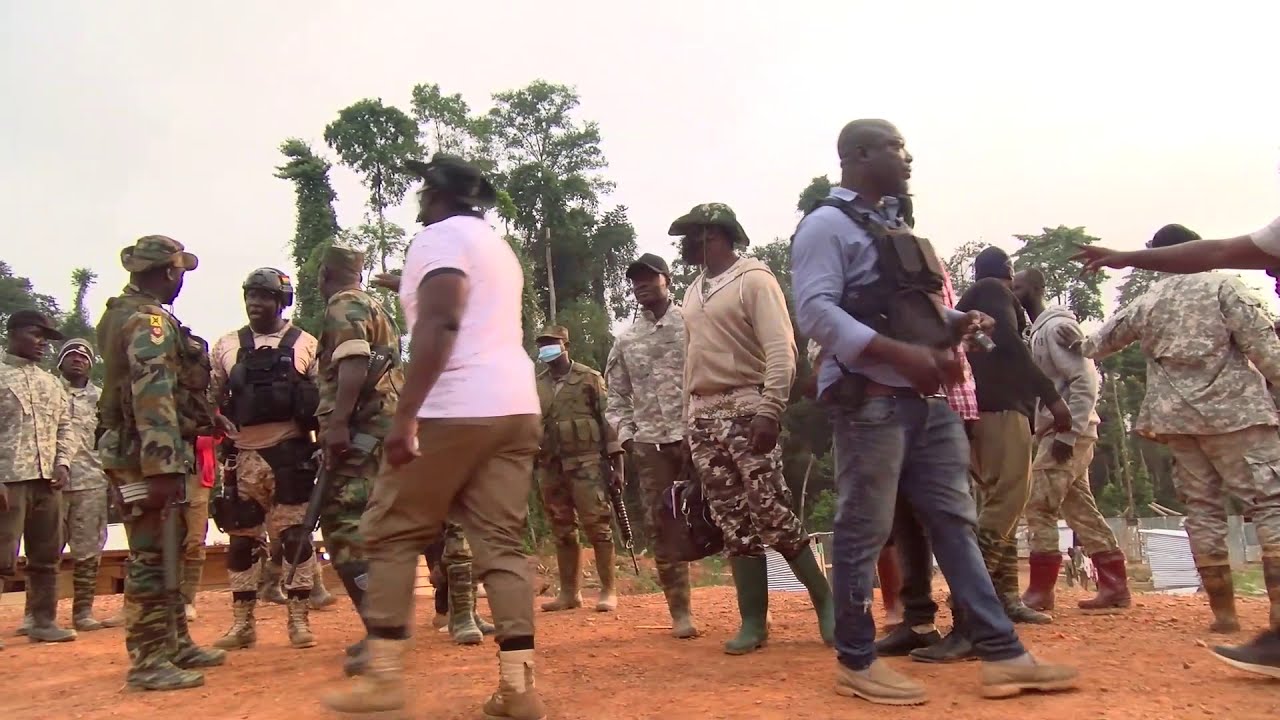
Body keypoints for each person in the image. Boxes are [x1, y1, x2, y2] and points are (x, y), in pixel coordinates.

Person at [791, 118, 1076, 705]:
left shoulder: (892, 225)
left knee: (955, 522)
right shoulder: (824, 226)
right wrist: (900, 355)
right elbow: (815, 311)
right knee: (862, 530)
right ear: (859, 155)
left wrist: (957, 324)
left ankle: (1002, 654)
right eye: (895, 147)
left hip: (928, 402)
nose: (907, 157)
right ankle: (857, 660)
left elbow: (910, 308)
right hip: (872, 402)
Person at [322, 154, 545, 719]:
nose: (419, 198)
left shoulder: (436, 239)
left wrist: (407, 416)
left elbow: (444, 320)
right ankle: (518, 689)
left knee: (390, 531)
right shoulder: (497, 247)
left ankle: (385, 680)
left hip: (456, 406)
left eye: (423, 189)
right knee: (500, 544)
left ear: (437, 195)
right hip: (516, 405)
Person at [1078, 225, 1280, 678]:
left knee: (1203, 510)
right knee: (1270, 505)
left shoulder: (1148, 301)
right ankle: (1277, 618)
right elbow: (1263, 347)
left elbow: (1097, 343)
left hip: (1175, 421)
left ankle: (1224, 615)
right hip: (1238, 416)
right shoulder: (1225, 286)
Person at [672, 201, 835, 656]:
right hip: (703, 415)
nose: (688, 244)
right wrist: (689, 425)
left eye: (696, 235)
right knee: (732, 522)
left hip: (747, 406)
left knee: (772, 511)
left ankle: (827, 604)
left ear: (719, 236)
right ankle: (753, 621)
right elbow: (689, 359)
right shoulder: (692, 291)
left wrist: (771, 409)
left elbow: (782, 349)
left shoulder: (755, 280)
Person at [96, 235, 225, 690]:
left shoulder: (125, 312)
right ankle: (149, 659)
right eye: (180, 272)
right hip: (141, 456)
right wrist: (163, 465)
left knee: (168, 545)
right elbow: (151, 393)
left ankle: (175, 643)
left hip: (144, 451)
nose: (181, 281)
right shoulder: (147, 320)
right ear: (169, 272)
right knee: (151, 554)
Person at [956, 247, 1072, 625]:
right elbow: (1008, 341)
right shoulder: (994, 291)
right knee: (1007, 501)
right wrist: (1052, 397)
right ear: (1008, 270)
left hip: (981, 411)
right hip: (1002, 408)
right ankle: (972, 597)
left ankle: (1004, 597)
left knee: (997, 501)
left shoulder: (972, 298)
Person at [209, 267, 322, 651]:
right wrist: (214, 420)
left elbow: (323, 402)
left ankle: (298, 619)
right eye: (250, 296)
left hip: (290, 453)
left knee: (295, 538)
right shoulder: (226, 345)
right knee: (241, 540)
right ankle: (243, 624)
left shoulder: (306, 343)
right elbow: (210, 396)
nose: (256, 304)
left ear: (281, 301)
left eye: (264, 297)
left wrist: (323, 444)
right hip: (241, 457)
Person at [1012, 268, 1130, 613]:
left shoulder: (1056, 328)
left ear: (1036, 288)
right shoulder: (1038, 331)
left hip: (1067, 433)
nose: (1015, 294)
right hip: (1061, 431)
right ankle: (1114, 585)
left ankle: (1040, 591)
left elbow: (1085, 379)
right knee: (1078, 507)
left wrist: (1069, 432)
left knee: (1039, 505)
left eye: (1019, 287)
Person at [605, 252, 698, 638]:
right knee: (663, 526)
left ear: (667, 280)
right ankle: (681, 613)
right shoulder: (627, 339)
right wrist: (627, 436)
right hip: (651, 445)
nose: (641, 284)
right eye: (635, 280)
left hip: (699, 436)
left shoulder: (693, 323)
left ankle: (753, 612)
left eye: (649, 277)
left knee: (728, 515)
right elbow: (616, 396)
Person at [534, 325, 625, 614]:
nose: (546, 348)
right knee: (562, 530)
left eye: (551, 343)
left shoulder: (589, 378)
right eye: (542, 344)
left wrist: (618, 465)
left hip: (587, 465)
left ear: (565, 344)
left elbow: (609, 421)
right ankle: (570, 593)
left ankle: (609, 590)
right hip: (551, 467)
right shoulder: (538, 384)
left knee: (598, 527)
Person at [0, 310, 76, 646]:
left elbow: (66, 427)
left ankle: (42, 621)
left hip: (48, 481)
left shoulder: (50, 383)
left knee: (46, 556)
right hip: (9, 479)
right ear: (13, 333)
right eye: (36, 334)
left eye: (46, 337)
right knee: (1, 554)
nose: (42, 343)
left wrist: (63, 463)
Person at [54, 338, 125, 631]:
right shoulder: (49, 391)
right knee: (44, 551)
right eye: (71, 355)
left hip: (91, 482)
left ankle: (82, 612)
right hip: (51, 481)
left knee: (88, 551)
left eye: (84, 356)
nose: (78, 359)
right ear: (60, 362)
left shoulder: (102, 399)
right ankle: (37, 614)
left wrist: (114, 481)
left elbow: (112, 440)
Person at [1074, 215, 1280, 274]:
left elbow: (1217, 253)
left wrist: (1124, 257)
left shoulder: (1148, 302)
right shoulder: (1229, 292)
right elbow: (1218, 252)